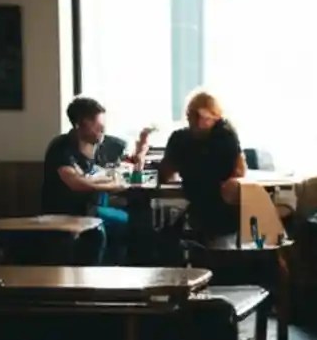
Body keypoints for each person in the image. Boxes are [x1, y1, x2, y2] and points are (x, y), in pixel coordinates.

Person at [41, 97, 148, 263]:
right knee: (132, 225)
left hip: (93, 209)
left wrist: (140, 154)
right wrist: (112, 184)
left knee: (139, 220)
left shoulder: (104, 146)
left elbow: (128, 172)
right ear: (79, 125)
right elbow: (76, 184)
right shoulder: (61, 148)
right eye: (96, 124)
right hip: (70, 213)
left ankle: (114, 274)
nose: (102, 128)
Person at [157, 90, 247, 246]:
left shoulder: (221, 138)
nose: (199, 122)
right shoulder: (226, 136)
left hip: (208, 215)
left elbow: (166, 174)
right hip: (218, 217)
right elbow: (239, 172)